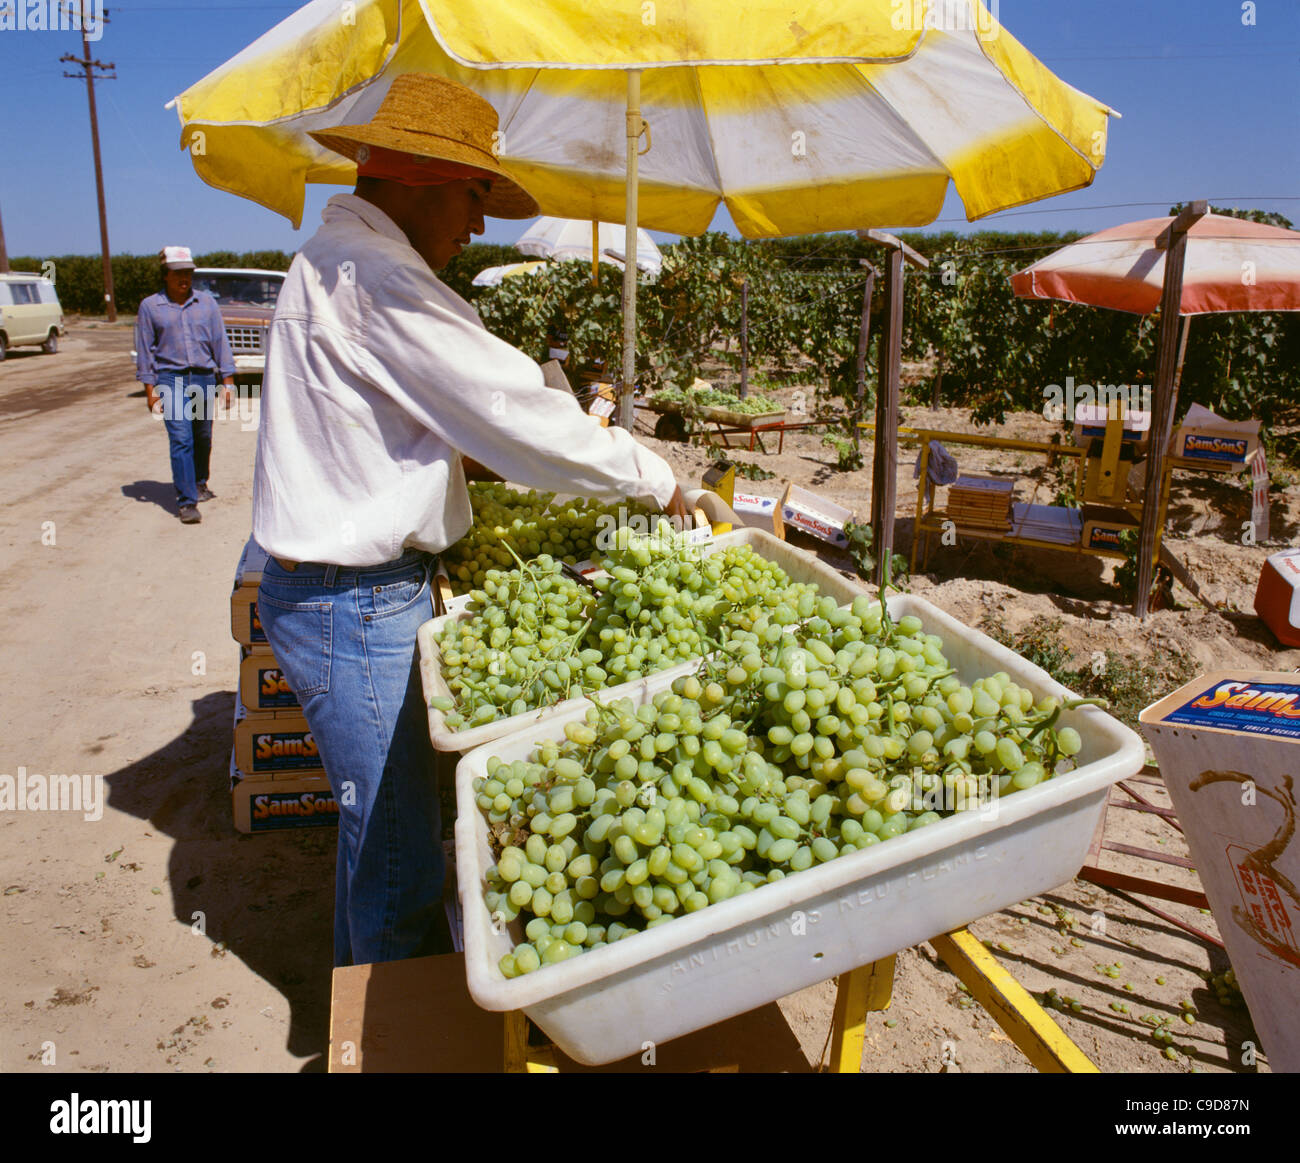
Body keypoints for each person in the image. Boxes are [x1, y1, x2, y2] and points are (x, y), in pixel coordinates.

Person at [251, 73, 688, 969]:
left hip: (343, 601)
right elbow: (507, 406)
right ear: (417, 175)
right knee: (402, 858)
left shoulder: (342, 260)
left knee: (380, 843)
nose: (478, 224)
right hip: (355, 605)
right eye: (475, 194)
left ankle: (358, 1024)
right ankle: (382, 1040)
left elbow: (437, 413)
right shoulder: (376, 277)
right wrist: (654, 479)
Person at [134, 247, 236, 524]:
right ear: (165, 275)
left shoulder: (206, 304)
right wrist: (149, 390)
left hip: (203, 377)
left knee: (202, 436)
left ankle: (200, 481)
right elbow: (145, 352)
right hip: (170, 378)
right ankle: (187, 502)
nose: (184, 278)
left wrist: (228, 381)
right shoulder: (150, 307)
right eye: (178, 273)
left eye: (188, 273)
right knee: (181, 438)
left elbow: (220, 342)